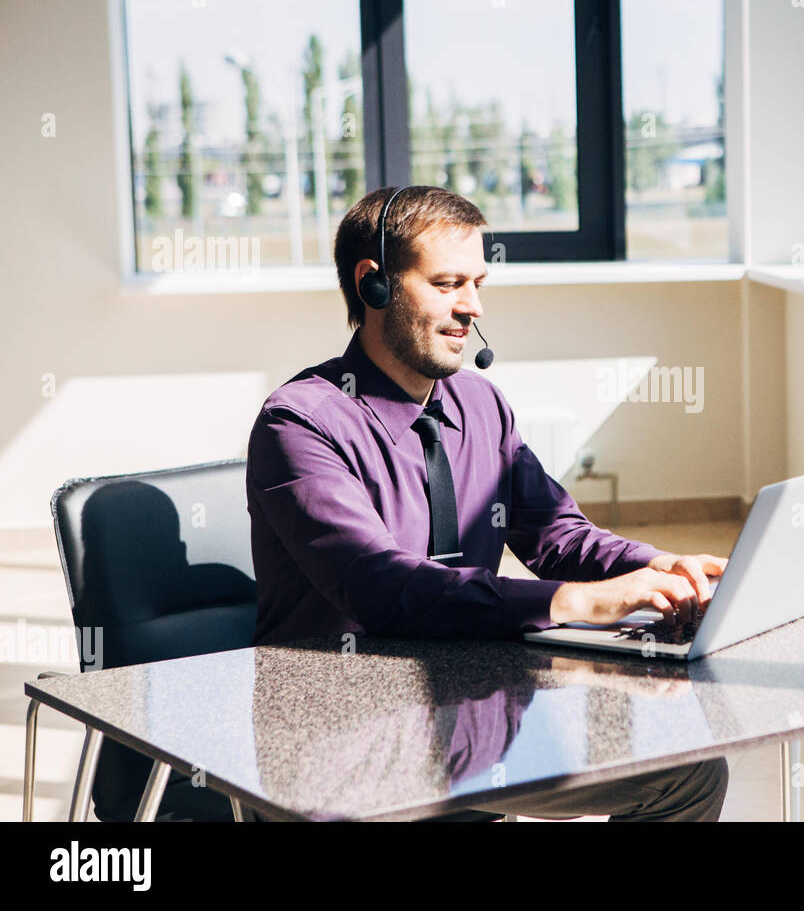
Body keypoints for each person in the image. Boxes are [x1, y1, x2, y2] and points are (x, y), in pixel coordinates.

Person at [245, 185, 728, 821]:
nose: (471, 307)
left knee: (688, 771)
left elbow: (558, 535)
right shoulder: (300, 425)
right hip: (344, 741)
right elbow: (379, 586)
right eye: (447, 283)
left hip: (475, 716)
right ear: (373, 284)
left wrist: (655, 567)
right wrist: (571, 601)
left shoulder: (481, 405)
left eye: (478, 283)